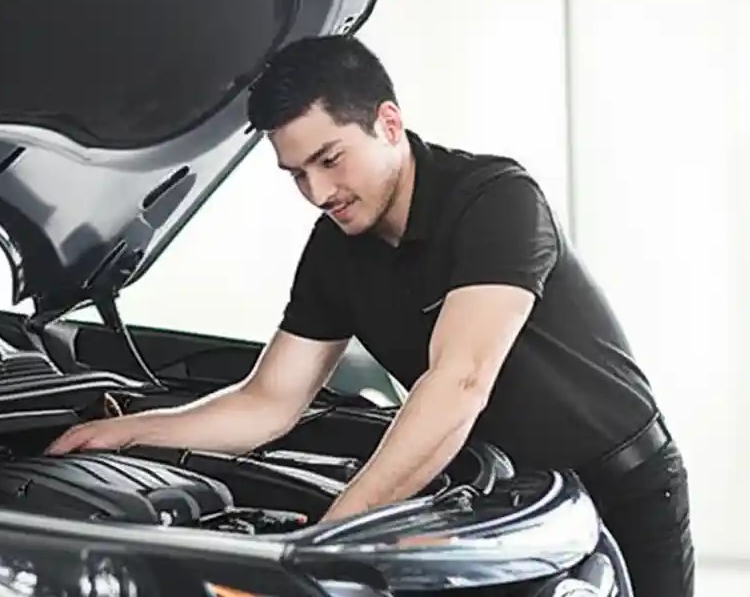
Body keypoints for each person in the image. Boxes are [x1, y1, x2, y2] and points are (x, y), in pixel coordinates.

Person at [46, 35, 694, 597]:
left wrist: (333, 534)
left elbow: (460, 381)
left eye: (330, 160)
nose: (318, 193)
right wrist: (126, 432)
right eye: (297, 174)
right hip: (504, 499)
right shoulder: (335, 248)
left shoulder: (495, 200)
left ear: (388, 123)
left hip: (625, 485)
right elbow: (269, 401)